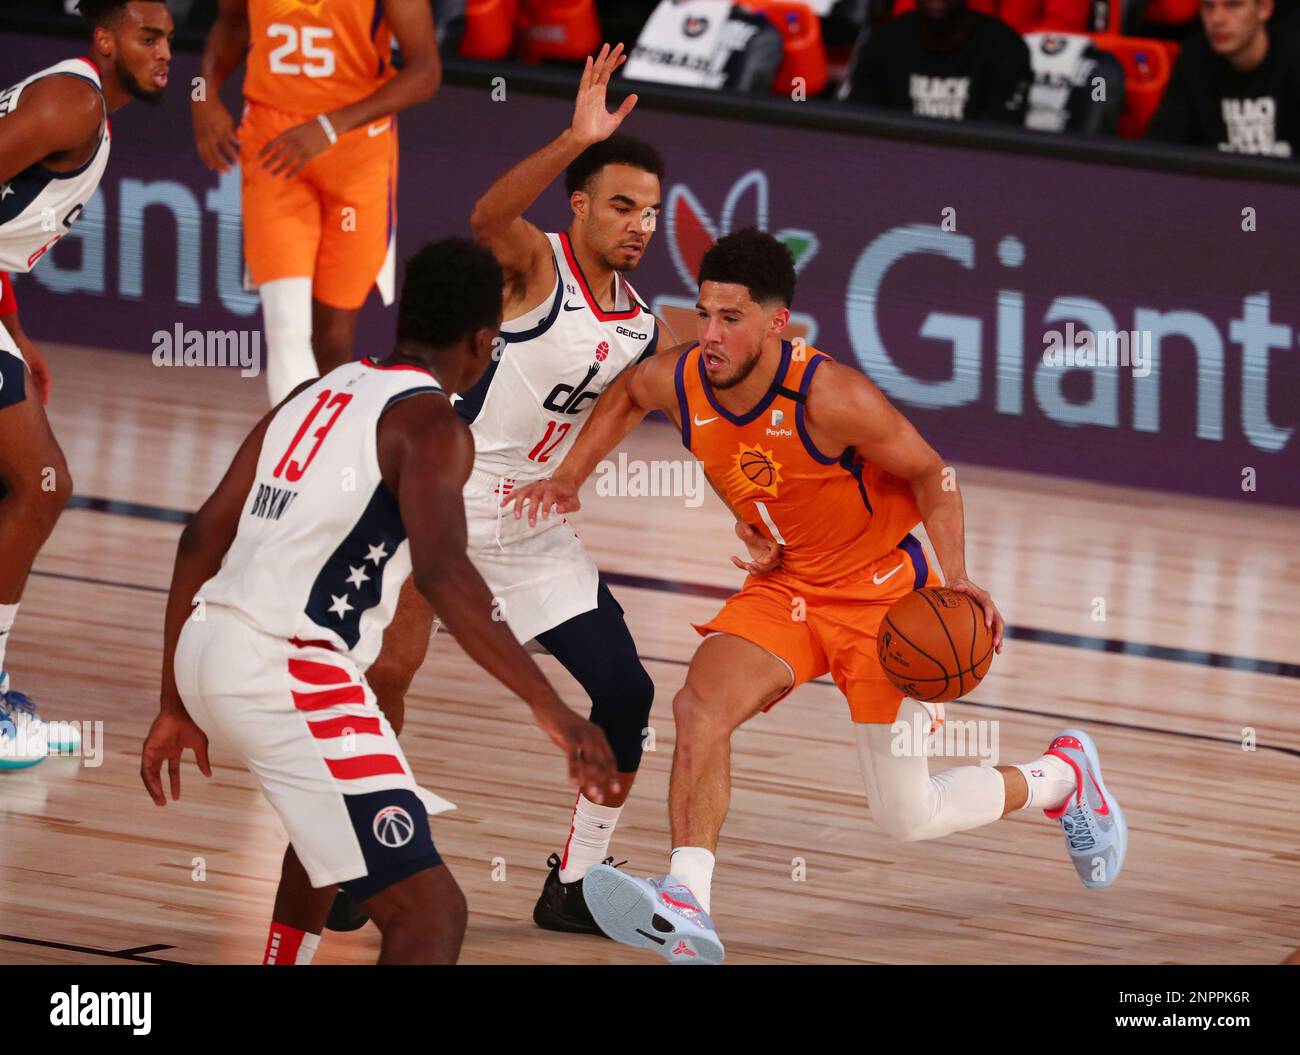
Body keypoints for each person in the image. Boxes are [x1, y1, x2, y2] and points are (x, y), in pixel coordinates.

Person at [509, 228, 1128, 964]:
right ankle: (688, 897)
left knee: (907, 814)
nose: (709, 333)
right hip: (789, 588)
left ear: (778, 323)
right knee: (697, 705)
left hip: (885, 603)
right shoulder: (680, 378)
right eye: (704, 313)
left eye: (730, 319)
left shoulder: (833, 396)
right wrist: (573, 476)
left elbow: (933, 474)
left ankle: (1060, 777)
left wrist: (957, 576)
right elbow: (628, 395)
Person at [139, 238, 620, 965]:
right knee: (432, 913)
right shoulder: (434, 426)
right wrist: (551, 707)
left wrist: (175, 699)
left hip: (208, 644)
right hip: (287, 665)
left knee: (328, 834)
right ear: (485, 340)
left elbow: (201, 535)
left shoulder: (318, 393)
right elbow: (443, 570)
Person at [346, 43, 671, 939]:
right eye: (620, 205)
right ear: (578, 206)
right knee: (387, 676)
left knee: (629, 694)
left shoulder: (644, 322)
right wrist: (575, 134)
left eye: (650, 211)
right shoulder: (537, 266)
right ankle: (355, 859)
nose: (639, 224)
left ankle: (573, 879)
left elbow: (643, 396)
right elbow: (488, 212)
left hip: (529, 525)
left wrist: (574, 475)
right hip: (441, 498)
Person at [0, 0, 173, 768]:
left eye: (169, 38)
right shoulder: (74, 100)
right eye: (148, 37)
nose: (166, 52)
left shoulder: (84, 108)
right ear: (104, 40)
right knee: (41, 486)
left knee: (31, 485)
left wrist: (14, 331)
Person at [192, 0, 442, 403]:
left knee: (333, 337)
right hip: (275, 146)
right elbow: (231, 22)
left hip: (356, 149)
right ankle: (295, 459)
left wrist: (330, 125)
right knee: (286, 327)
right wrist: (204, 92)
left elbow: (426, 70)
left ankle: (329, 450)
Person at [1147, 0, 1300, 158]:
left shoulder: (1293, 55)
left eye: (1233, 5)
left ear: (1264, 8)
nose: (1217, 19)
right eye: (1208, 6)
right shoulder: (1194, 59)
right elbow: (1159, 149)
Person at [839, 0, 1032, 125]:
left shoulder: (1005, 47)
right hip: (895, 165)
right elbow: (861, 124)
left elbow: (1000, 138)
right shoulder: (883, 43)